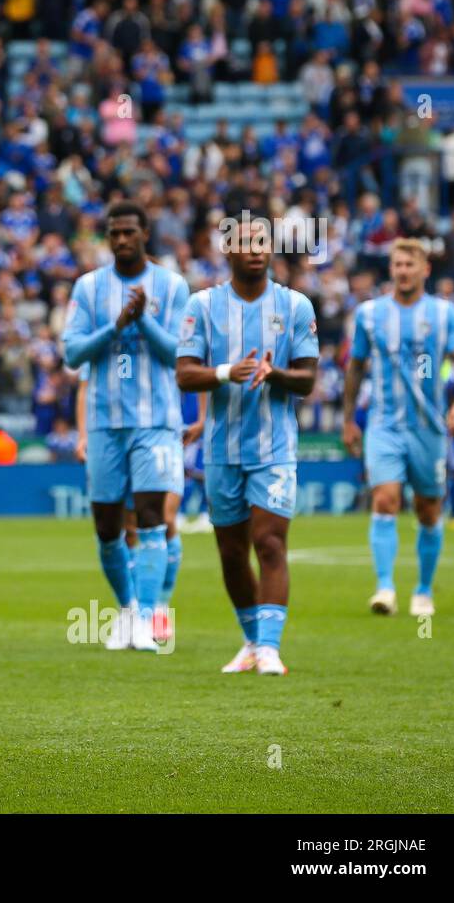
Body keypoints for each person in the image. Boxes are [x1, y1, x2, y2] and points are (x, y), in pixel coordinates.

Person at [175, 215, 319, 676]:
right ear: (228, 250)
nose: (256, 249)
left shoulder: (296, 306)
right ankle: (253, 640)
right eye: (246, 242)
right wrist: (225, 372)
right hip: (221, 449)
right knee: (232, 553)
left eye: (263, 241)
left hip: (274, 447)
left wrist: (274, 374)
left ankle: (272, 649)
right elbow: (184, 373)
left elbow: (308, 379)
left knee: (269, 542)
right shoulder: (202, 305)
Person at [62, 201, 188, 652]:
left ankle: (146, 618)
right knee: (107, 526)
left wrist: (144, 321)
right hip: (103, 421)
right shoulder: (89, 288)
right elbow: (72, 353)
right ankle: (129, 609)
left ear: (145, 233)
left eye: (129, 232)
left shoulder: (172, 286)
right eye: (114, 233)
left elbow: (179, 355)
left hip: (155, 421)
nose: (121, 240)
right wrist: (115, 328)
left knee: (154, 519)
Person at [342, 239, 454, 617]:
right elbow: (355, 367)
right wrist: (350, 419)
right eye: (397, 264)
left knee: (428, 508)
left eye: (409, 265)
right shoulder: (370, 314)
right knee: (385, 498)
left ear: (424, 269)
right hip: (384, 424)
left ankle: (423, 590)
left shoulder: (444, 313)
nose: (402, 271)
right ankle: (384, 588)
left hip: (429, 428)